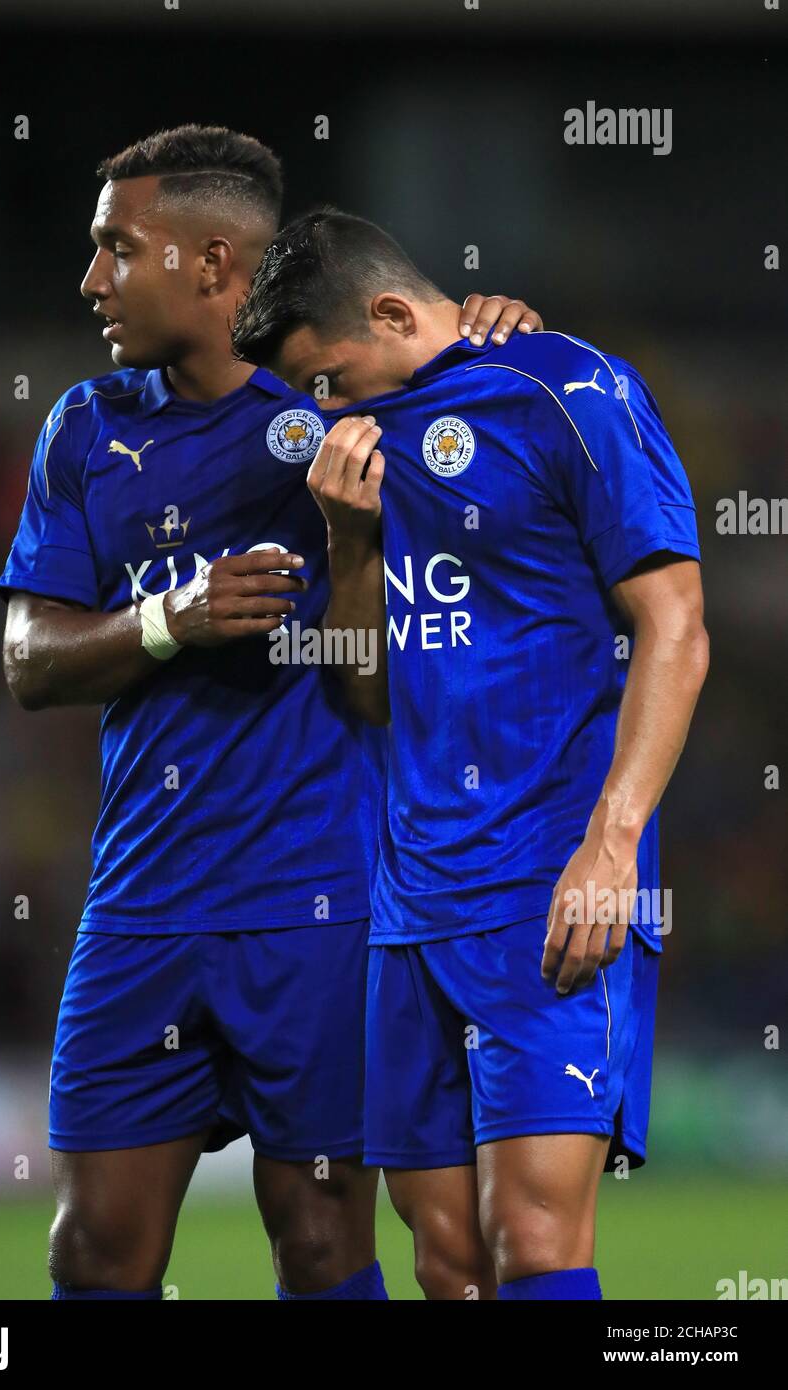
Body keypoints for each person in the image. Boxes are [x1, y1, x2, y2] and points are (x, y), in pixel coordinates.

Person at [0, 128, 543, 1301]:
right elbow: (28, 659)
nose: (91, 280)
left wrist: (497, 331)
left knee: (321, 1239)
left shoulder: (361, 402)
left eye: (114, 249)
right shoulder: (87, 430)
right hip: (142, 906)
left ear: (209, 263)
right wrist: (169, 619)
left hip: (325, 908)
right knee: (92, 1251)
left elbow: (395, 668)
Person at [231, 207, 709, 1300]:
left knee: (535, 1245)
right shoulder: (355, 462)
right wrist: (347, 543)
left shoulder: (564, 392)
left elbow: (675, 626)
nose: (320, 411)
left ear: (393, 312)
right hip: (411, 905)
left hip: (550, 884)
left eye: (326, 378)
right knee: (447, 1264)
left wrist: (612, 847)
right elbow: (365, 693)